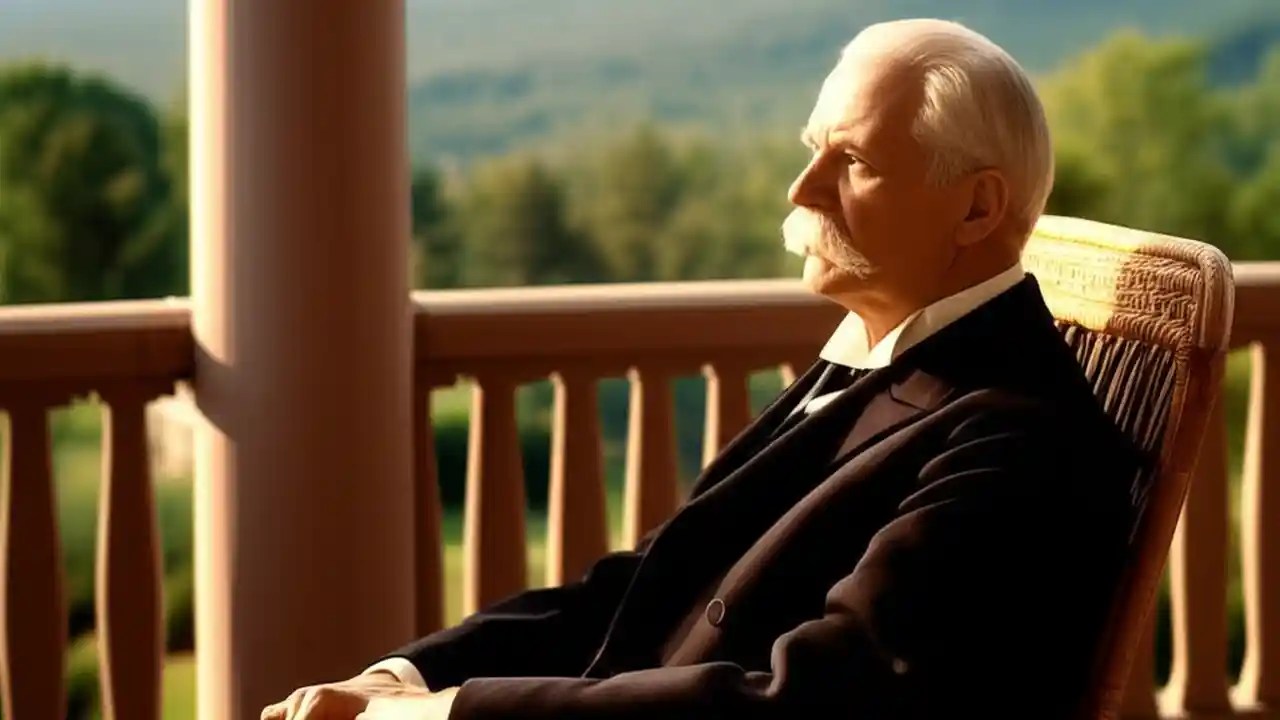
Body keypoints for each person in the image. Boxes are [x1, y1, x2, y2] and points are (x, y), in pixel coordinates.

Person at [262, 17, 1139, 720]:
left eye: (855, 162)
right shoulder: (882, 360)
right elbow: (646, 585)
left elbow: (819, 699)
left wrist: (447, 716)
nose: (801, 190)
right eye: (812, 147)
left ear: (977, 207)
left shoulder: (1015, 437)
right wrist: (407, 681)